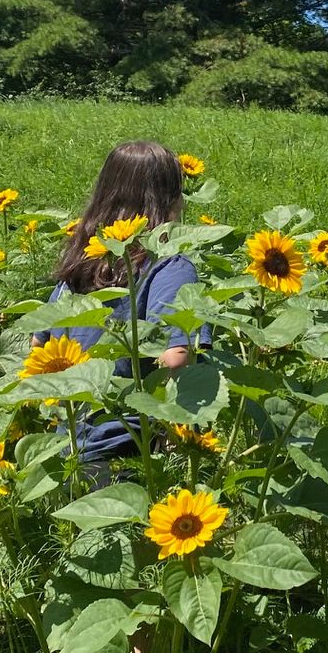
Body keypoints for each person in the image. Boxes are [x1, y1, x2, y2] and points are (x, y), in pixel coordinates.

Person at [44, 140, 210, 469]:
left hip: (65, 451)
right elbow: (176, 358)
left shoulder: (81, 262)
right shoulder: (170, 265)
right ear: (172, 197)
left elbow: (39, 342)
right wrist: (176, 429)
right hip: (128, 451)